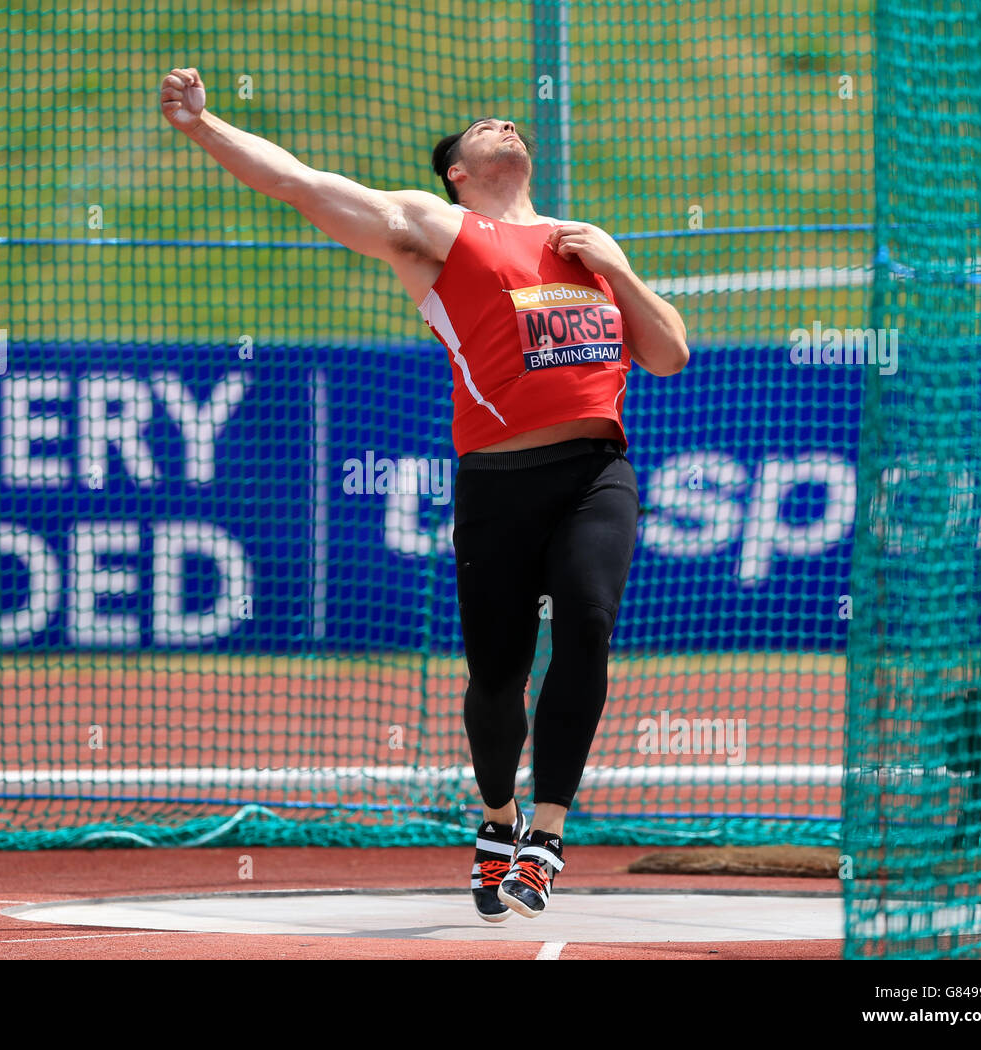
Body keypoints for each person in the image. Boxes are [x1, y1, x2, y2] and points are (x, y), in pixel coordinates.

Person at [161, 69, 689, 920]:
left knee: (588, 624)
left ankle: (546, 837)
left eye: (513, 123)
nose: (507, 126)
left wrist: (619, 273)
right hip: (497, 482)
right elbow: (299, 183)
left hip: (596, 471)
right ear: (457, 170)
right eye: (487, 125)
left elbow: (667, 355)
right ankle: (497, 818)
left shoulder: (585, 241)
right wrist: (202, 126)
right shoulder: (440, 229)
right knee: (497, 675)